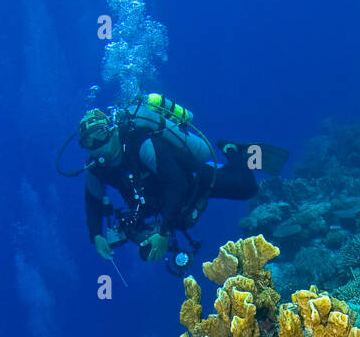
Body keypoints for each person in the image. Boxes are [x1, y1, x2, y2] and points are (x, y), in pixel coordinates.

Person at [72, 94, 287, 275]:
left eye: (99, 136)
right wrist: (96, 235)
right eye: (87, 143)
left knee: (248, 188)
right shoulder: (95, 167)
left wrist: (163, 233)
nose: (95, 147)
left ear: (110, 130)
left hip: (191, 178)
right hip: (154, 197)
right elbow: (92, 200)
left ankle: (231, 149)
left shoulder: (140, 142)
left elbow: (177, 182)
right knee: (145, 228)